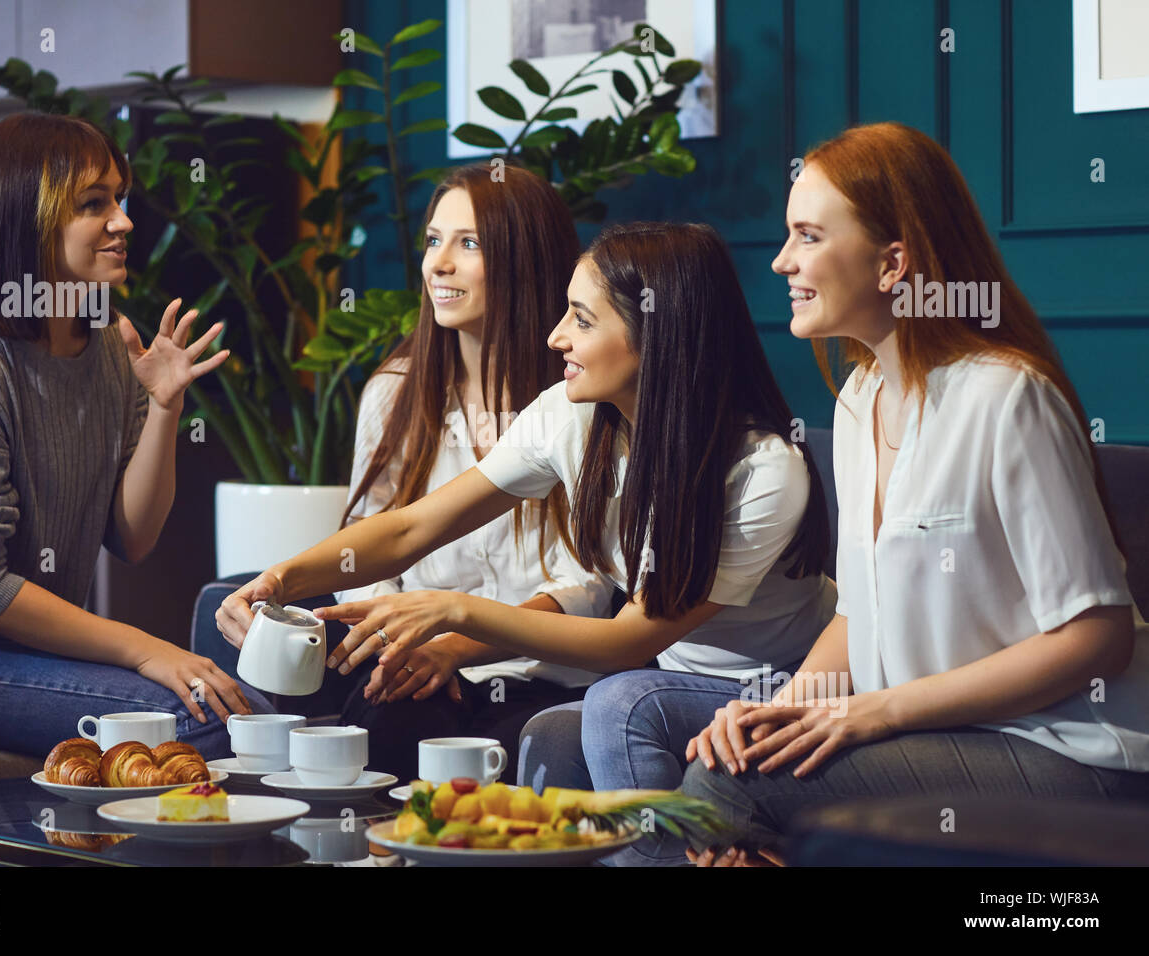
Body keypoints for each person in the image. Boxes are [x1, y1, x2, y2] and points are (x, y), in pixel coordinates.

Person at [216, 223, 836, 821]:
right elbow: (411, 530)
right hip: (666, 678)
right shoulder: (575, 420)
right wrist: (279, 581)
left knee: (616, 703)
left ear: (660, 334)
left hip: (773, 687)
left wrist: (454, 612)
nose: (556, 338)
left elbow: (630, 641)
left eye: (583, 320)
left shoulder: (761, 471)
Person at [680, 121, 1149, 866]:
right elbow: (855, 613)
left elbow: (1097, 638)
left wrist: (876, 712)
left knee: (720, 791)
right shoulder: (858, 399)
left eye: (807, 236)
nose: (780, 261)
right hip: (938, 742)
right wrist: (784, 705)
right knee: (727, 779)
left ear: (893, 261)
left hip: (1072, 756)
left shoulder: (1006, 397)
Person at [0, 113, 268, 761]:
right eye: (94, 204)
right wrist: (147, 648)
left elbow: (132, 537)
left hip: (20, 651)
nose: (123, 222)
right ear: (30, 222)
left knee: (250, 713)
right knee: (203, 724)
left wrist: (164, 406)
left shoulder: (108, 340)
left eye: (119, 200)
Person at [321, 164, 615, 782]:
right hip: (412, 666)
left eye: (469, 243)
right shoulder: (392, 393)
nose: (439, 264)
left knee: (425, 738)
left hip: (542, 677)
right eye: (433, 240)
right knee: (372, 715)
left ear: (524, 261)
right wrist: (404, 648)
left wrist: (456, 645)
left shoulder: (583, 402)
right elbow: (369, 551)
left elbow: (589, 587)